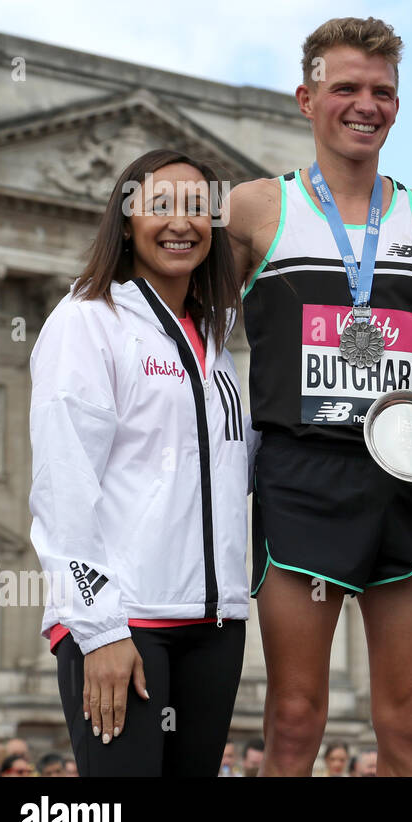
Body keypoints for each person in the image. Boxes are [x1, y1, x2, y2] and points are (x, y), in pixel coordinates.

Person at [227, 17, 412, 776]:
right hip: (301, 480)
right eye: (346, 88)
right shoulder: (253, 209)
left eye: (382, 91)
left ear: (397, 106)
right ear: (307, 98)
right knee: (296, 714)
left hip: (404, 480)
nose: (364, 104)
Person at [29, 150, 250, 776]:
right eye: (160, 206)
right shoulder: (86, 320)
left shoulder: (212, 339)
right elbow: (63, 488)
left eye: (197, 209)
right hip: (126, 624)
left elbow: (230, 472)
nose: (181, 224)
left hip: (214, 623)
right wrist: (99, 630)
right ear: (125, 222)